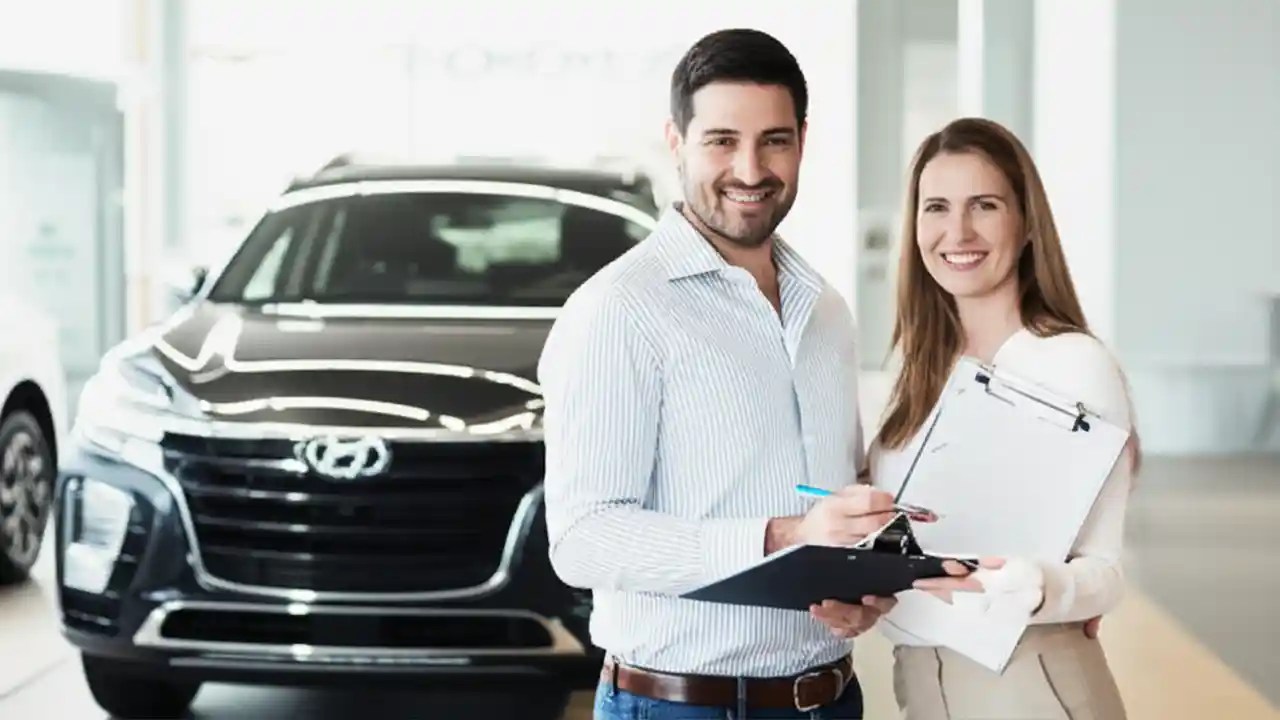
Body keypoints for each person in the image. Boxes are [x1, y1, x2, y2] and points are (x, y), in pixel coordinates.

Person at [538, 28, 954, 720]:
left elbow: (835, 496)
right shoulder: (620, 310)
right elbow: (583, 540)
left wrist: (861, 587)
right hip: (682, 705)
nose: (751, 168)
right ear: (676, 141)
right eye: (722, 140)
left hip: (829, 696)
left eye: (775, 140)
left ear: (802, 140)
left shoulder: (824, 308)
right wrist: (783, 536)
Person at [866, 117, 1138, 719]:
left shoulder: (1073, 364)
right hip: (918, 685)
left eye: (983, 205)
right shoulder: (909, 373)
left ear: (1025, 223)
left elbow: (1105, 571)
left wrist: (1034, 585)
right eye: (936, 207)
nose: (957, 231)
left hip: (1030, 683)